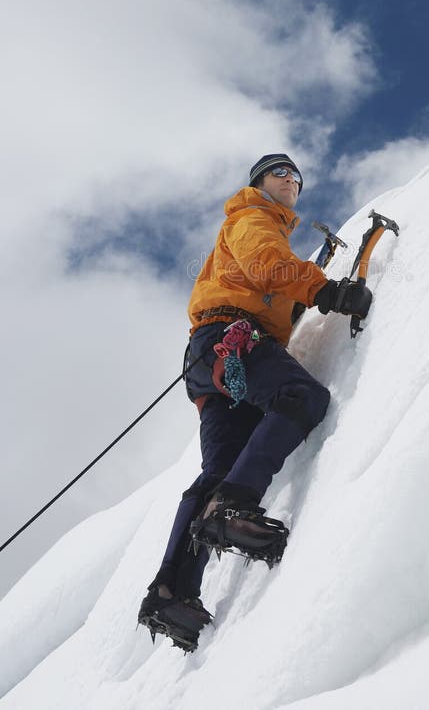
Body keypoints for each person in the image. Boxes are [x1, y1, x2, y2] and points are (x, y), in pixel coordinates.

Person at [137, 153, 371, 651]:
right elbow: (267, 265)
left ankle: (170, 592)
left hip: (211, 358)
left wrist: (305, 292)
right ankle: (233, 507)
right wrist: (328, 291)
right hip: (232, 337)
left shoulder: (259, 229)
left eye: (296, 176)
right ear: (259, 183)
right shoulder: (253, 217)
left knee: (219, 469)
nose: (291, 180)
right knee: (301, 396)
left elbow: (270, 284)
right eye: (280, 172)